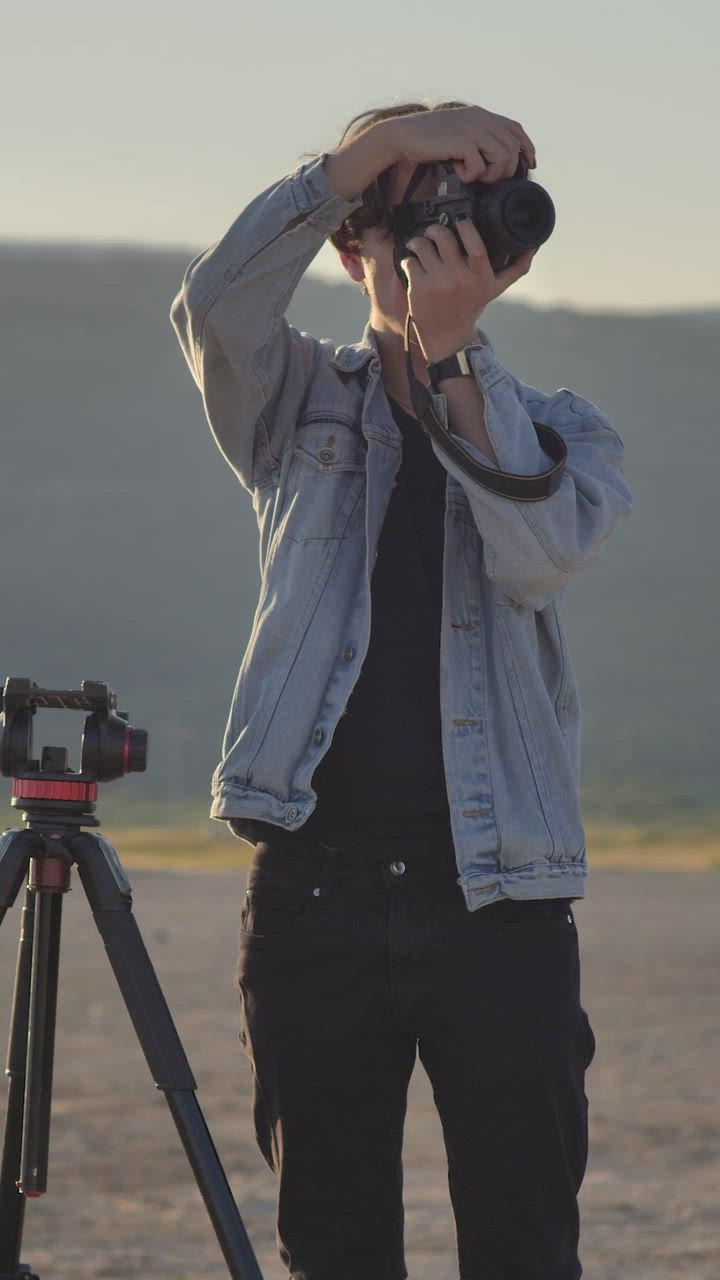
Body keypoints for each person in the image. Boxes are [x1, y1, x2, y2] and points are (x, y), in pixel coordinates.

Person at [170, 100, 633, 1280]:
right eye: (400, 228)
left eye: (459, 235)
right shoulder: (294, 404)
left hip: (503, 903)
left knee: (527, 1248)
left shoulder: (567, 431)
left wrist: (450, 354)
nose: (425, 259)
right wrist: (361, 157)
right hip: (315, 894)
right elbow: (214, 309)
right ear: (347, 244)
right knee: (334, 1247)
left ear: (508, 262)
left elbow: (533, 554)